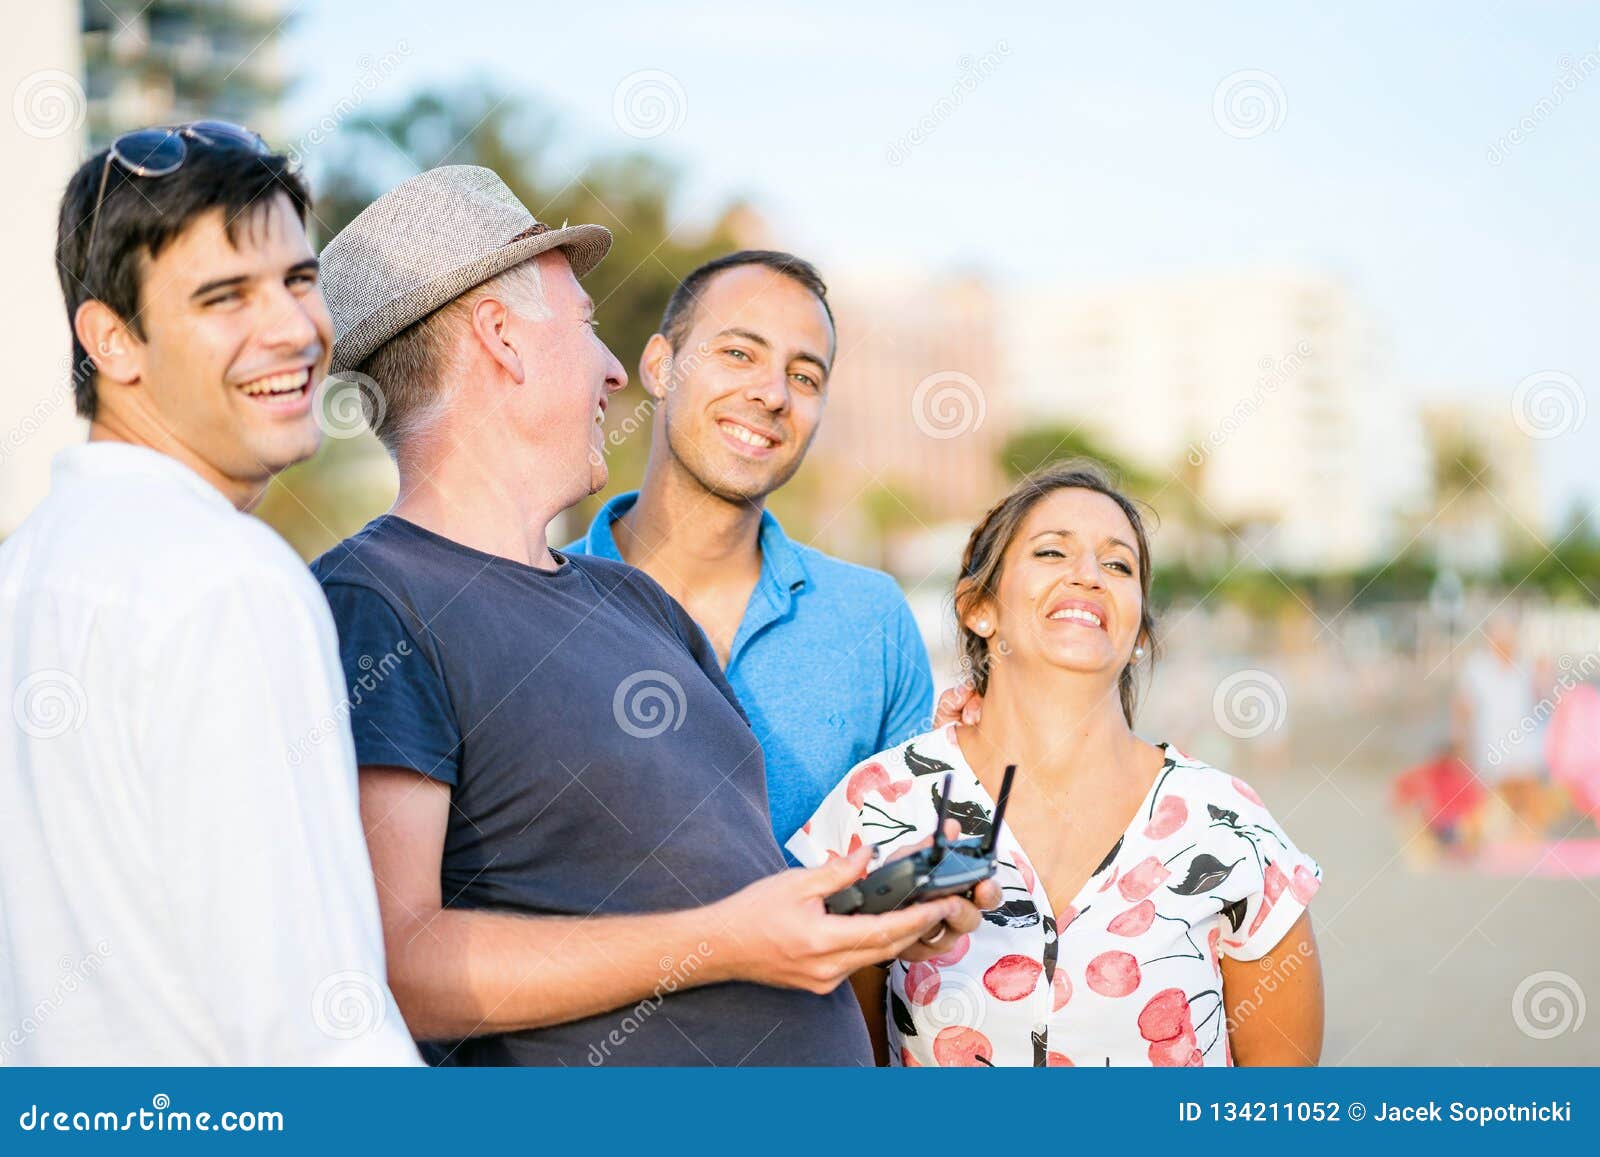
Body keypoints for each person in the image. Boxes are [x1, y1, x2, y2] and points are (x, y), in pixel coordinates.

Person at [311, 166, 993, 1067]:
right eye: (588, 327)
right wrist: (725, 940)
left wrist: (861, 912)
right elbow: (399, 967)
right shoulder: (375, 600)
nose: (610, 366)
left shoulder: (632, 601)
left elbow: (737, 887)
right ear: (503, 339)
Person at [0, 123, 418, 1064]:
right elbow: (317, 1034)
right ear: (111, 339)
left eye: (299, 281)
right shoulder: (225, 578)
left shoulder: (24, 573)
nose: (293, 329)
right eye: (225, 296)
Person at [790, 460, 1326, 1066]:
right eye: (1052, 553)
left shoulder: (1230, 827)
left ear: (1139, 632)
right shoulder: (882, 803)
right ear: (978, 609)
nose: (1089, 576)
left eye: (1118, 564)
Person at [565, 251, 933, 852]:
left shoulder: (875, 619)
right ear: (661, 367)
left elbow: (912, 861)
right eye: (739, 353)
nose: (773, 394)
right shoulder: (536, 597)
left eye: (805, 376)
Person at [1453, 611, 1552, 835]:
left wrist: (1545, 677)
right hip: (1491, 745)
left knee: (1529, 798)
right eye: (1499, 635)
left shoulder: (1527, 663)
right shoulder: (1477, 667)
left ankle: (1527, 836)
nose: (1504, 640)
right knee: (1493, 804)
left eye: (1508, 634)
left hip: (1527, 743)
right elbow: (1462, 708)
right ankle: (1500, 838)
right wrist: (1460, 745)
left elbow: (1544, 700)